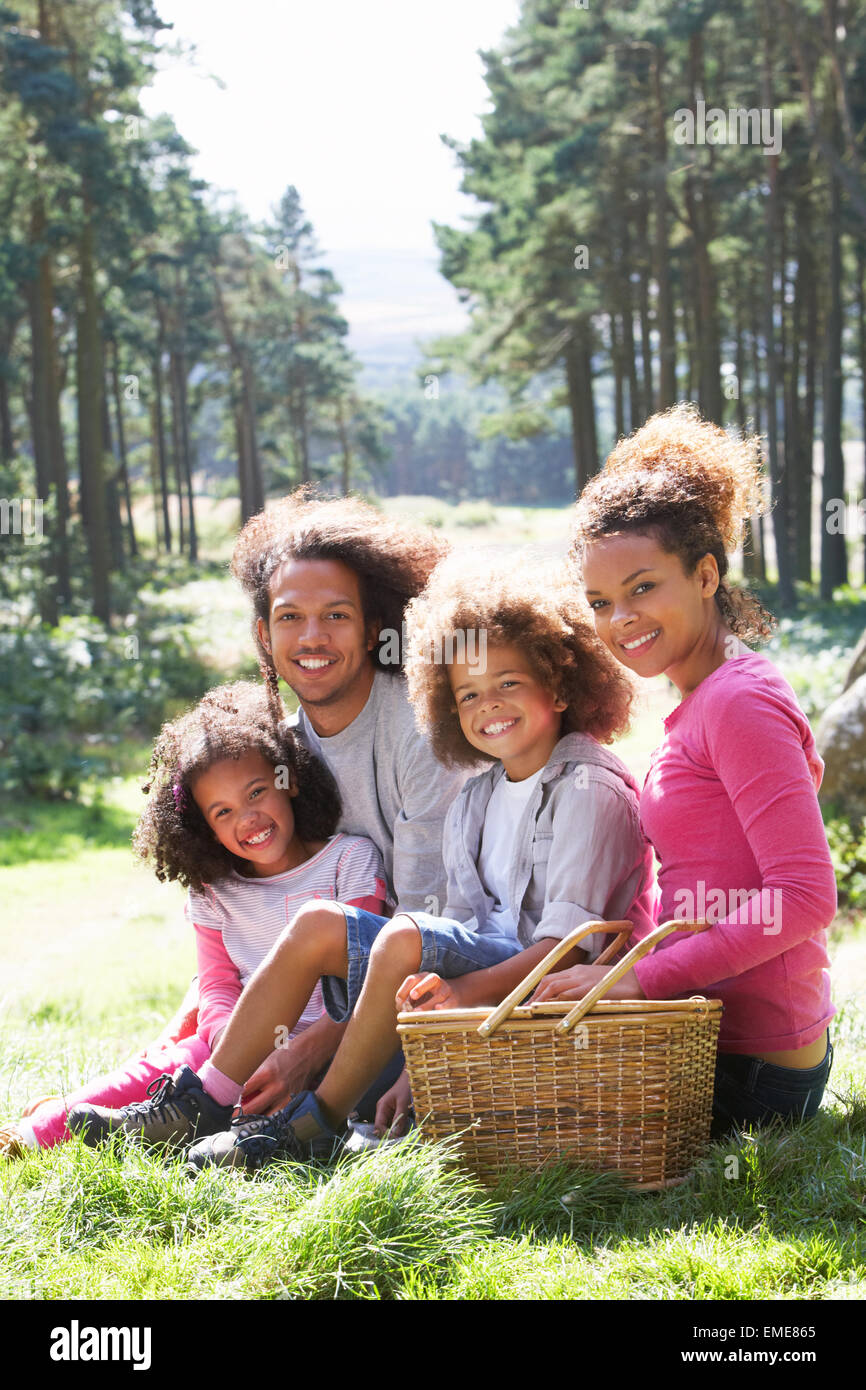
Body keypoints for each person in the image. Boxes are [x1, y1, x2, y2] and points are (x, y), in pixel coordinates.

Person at [86, 554, 654, 1172]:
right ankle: (207, 1100)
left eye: (509, 683)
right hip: (477, 981)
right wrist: (429, 1042)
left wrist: (458, 994)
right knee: (318, 923)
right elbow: (457, 923)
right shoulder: (478, 795)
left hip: (545, 996)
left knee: (407, 934)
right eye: (468, 693)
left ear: (561, 683)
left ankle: (315, 1123)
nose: (489, 704)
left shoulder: (586, 789)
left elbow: (570, 949)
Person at [533, 404, 836, 1138]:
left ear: (705, 574)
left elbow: (803, 897)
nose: (621, 619)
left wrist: (639, 980)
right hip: (702, 1029)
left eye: (642, 587)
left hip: (758, 1065)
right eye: (601, 601)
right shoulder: (705, 698)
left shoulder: (739, 703)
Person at [0, 682, 386, 1159]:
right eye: (223, 811)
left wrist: (294, 1053)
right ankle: (41, 1130)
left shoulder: (349, 860)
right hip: (236, 1047)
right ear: (205, 827)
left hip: (331, 1051)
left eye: (257, 792)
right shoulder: (214, 890)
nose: (248, 818)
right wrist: (234, 1047)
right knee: (169, 1069)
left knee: (230, 1101)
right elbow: (218, 984)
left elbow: (365, 975)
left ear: (289, 780)